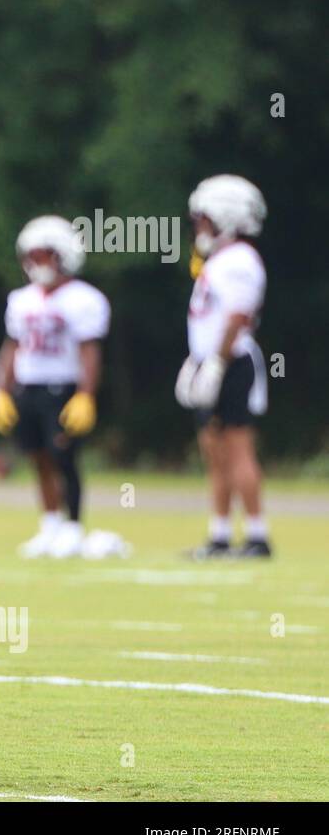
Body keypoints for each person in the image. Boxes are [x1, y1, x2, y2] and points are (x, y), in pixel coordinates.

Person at [0, 216, 109, 558]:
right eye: (31, 256)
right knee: (38, 458)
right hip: (29, 388)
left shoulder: (83, 299)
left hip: (63, 388)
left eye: (44, 255)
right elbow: (12, 347)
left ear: (63, 256)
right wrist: (0, 390)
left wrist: (86, 394)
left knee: (64, 458)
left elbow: (89, 351)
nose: (36, 263)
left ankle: (73, 526)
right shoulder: (22, 299)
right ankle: (50, 524)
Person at [174, 175, 271, 558]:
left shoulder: (239, 260)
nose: (199, 226)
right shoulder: (218, 260)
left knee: (238, 448)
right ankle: (219, 535)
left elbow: (236, 317)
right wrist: (196, 361)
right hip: (212, 360)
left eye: (204, 218)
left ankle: (258, 535)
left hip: (232, 362)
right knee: (213, 450)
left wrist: (216, 362)